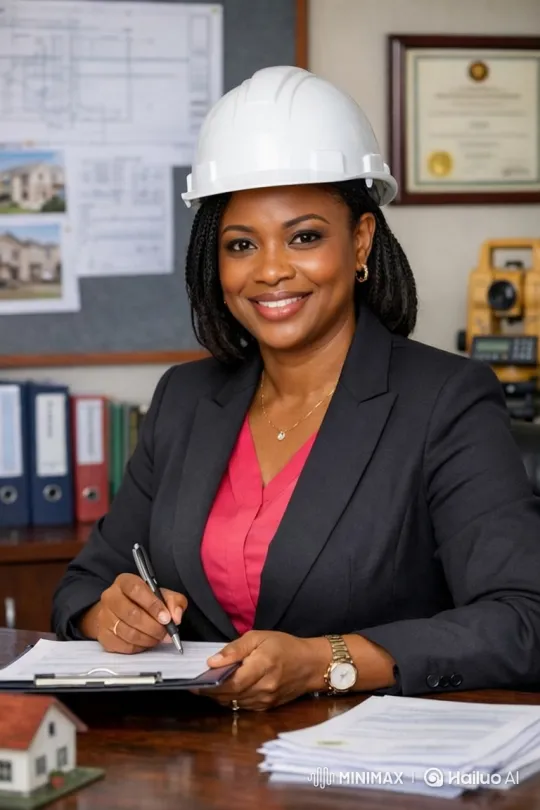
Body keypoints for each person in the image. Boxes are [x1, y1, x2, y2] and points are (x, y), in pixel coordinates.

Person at [52, 66, 540, 712]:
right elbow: (85, 583)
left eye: (304, 236)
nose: (272, 271)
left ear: (360, 240)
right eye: (241, 244)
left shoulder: (445, 402)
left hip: (371, 773)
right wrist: (109, 615)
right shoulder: (185, 400)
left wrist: (325, 661)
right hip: (197, 769)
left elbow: (522, 619)